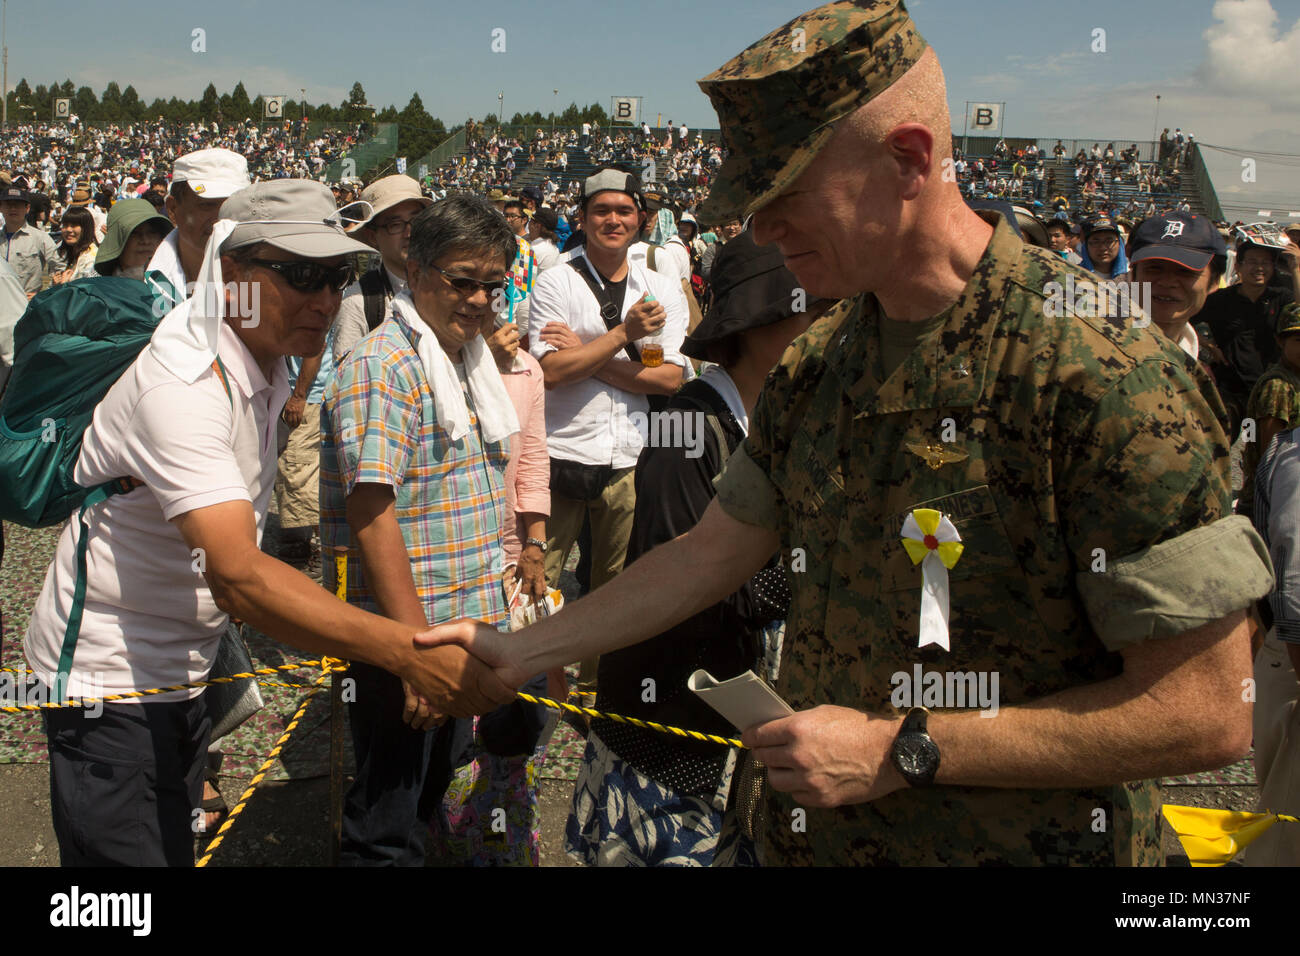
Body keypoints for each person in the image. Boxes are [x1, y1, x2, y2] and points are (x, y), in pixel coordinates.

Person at [426, 0, 1272, 867]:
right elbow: (708, 554)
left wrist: (903, 750)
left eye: (787, 195)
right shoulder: (824, 358)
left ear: (909, 160)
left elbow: (1204, 711)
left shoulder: (1100, 368)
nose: (761, 228)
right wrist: (518, 649)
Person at [24, 180, 513, 867]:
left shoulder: (267, 360)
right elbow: (239, 577)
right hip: (108, 681)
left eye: (338, 276)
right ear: (232, 273)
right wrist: (407, 651)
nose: (326, 297)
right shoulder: (185, 383)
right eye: (301, 275)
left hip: (180, 671)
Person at [568, 232, 825, 867]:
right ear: (757, 321)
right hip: (679, 719)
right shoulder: (691, 422)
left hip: (752, 719)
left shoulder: (797, 415)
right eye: (810, 310)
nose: (824, 324)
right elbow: (682, 569)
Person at [319, 193, 521, 866]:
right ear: (417, 268)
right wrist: (413, 655)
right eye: (463, 281)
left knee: (427, 795)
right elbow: (372, 514)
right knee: (387, 822)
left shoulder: (462, 358)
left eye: (494, 285)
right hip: (408, 632)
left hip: (461, 622)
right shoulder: (387, 364)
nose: (480, 299)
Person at [527, 168, 689, 686]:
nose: (613, 220)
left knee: (613, 583)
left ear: (641, 219)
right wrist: (623, 335)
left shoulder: (660, 287)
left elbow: (666, 379)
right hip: (561, 449)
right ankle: (539, 679)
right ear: (583, 218)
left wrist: (586, 351)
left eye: (623, 210)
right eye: (601, 210)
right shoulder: (557, 279)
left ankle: (597, 684)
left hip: (629, 456)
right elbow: (550, 373)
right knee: (541, 579)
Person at [1198, 239, 1299, 432]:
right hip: (1229, 390)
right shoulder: (1221, 300)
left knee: (1256, 446)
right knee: (1222, 437)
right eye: (1252, 261)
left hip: (1267, 390)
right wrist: (1208, 346)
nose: (1259, 267)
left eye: (1265, 262)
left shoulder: (1280, 297)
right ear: (1238, 266)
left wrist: (1295, 268)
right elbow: (1186, 316)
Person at [332, 175, 432, 362]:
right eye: (395, 225)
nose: (409, 233)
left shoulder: (451, 285)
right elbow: (346, 381)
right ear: (372, 237)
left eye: (416, 220)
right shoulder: (358, 303)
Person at [147, 148, 252, 309]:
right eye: (207, 205)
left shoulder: (269, 278)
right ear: (173, 210)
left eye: (232, 205)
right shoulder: (140, 284)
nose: (221, 217)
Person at [1125, 211, 1227, 363]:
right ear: (1133, 276)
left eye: (1185, 272)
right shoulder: (1093, 351)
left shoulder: (1205, 364)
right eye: (1154, 268)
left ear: (1214, 282)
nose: (1167, 282)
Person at [1240, 303, 1300, 514]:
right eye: (1298, 340)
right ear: (1280, 341)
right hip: (1272, 502)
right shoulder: (1279, 386)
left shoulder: (1295, 380)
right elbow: (1271, 455)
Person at [1, 185, 62, 297]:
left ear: (27, 208)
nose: (13, 209)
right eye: (8, 204)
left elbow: (59, 269)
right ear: (1, 207)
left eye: (17, 205)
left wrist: (43, 296)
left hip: (26, 306)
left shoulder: (40, 238)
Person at [92, 199, 173, 280]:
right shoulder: (97, 288)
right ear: (116, 241)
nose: (146, 241)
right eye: (134, 233)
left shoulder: (176, 283)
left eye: (152, 232)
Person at [50, 206, 98, 283]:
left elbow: (87, 291)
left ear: (86, 228)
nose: (68, 230)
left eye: (74, 225)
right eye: (65, 225)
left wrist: (63, 285)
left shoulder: (92, 259)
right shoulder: (67, 252)